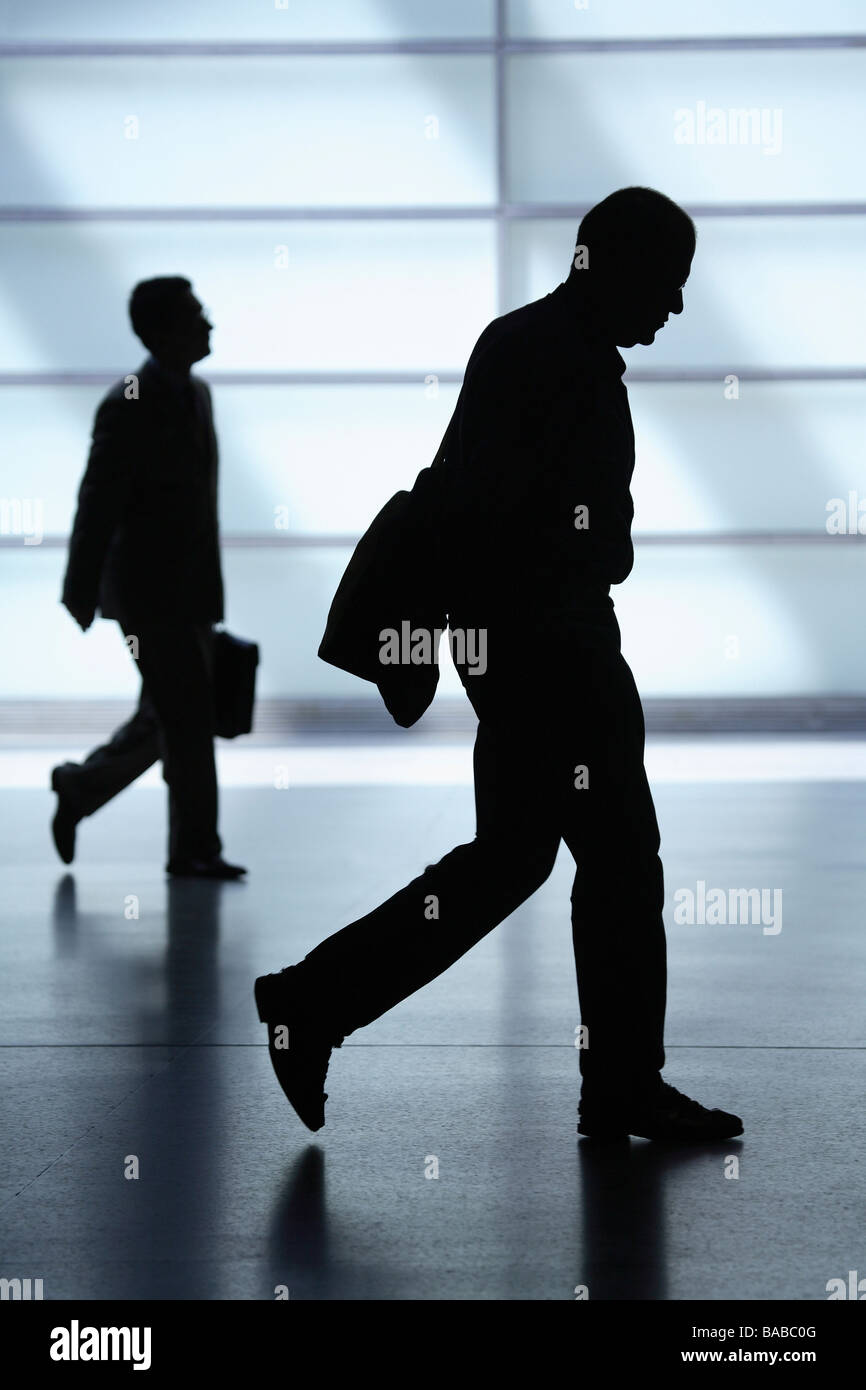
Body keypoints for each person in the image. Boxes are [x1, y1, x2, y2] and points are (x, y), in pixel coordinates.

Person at [255, 187, 742, 1140]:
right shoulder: (565, 363)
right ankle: (620, 1083)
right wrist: (600, 554)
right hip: (554, 651)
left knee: (515, 859)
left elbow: (467, 505)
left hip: (515, 650)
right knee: (617, 862)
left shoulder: (520, 344)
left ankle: (315, 1001)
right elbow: (554, 528)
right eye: (669, 283)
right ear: (620, 261)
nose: (676, 307)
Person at [54, 277, 246, 880]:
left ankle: (80, 787)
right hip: (149, 595)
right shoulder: (128, 401)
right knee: (187, 719)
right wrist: (80, 588)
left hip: (187, 593)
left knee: (164, 717)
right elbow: (98, 501)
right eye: (195, 315)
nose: (208, 324)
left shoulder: (198, 395)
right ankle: (194, 849)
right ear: (162, 331)